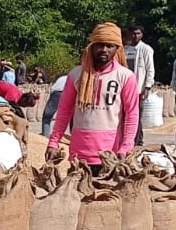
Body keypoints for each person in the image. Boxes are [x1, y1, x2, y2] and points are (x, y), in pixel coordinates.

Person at [45, 22, 138, 168]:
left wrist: (126, 146)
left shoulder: (125, 76)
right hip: (79, 156)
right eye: (99, 45)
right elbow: (64, 110)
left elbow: (132, 114)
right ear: (92, 46)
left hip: (109, 156)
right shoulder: (76, 75)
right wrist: (53, 141)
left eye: (109, 46)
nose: (104, 50)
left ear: (117, 48)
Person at [125, 23, 155, 146]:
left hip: (138, 89)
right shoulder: (125, 50)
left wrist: (147, 87)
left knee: (135, 116)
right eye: (133, 33)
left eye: (138, 33)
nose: (136, 36)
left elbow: (150, 69)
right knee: (126, 116)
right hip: (126, 89)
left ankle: (137, 141)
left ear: (142, 35)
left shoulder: (146, 49)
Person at [41, 71, 68, 137]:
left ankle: (45, 136)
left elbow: (53, 89)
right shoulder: (74, 78)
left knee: (47, 116)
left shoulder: (61, 78)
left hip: (57, 93)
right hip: (69, 93)